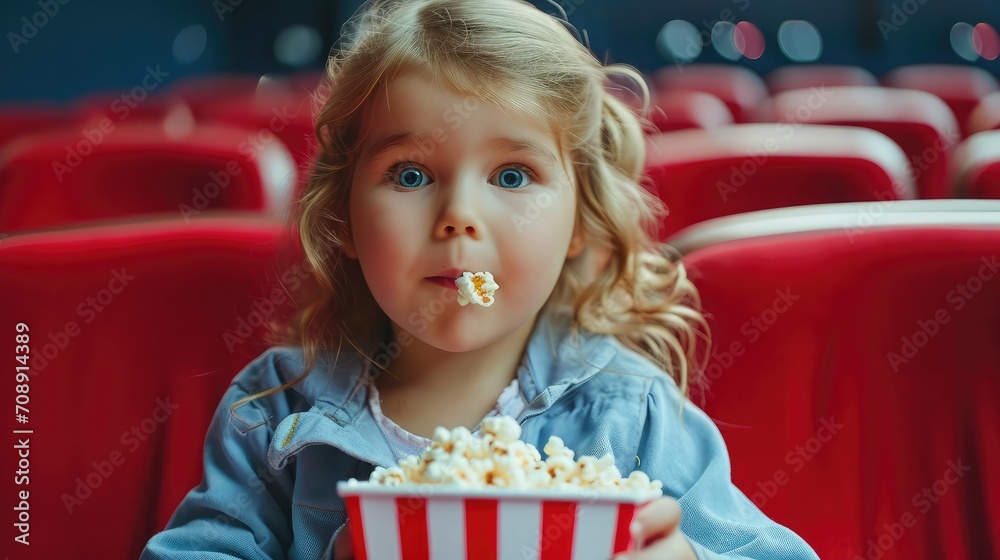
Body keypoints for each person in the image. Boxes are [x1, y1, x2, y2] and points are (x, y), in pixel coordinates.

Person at [142, 0, 819, 558]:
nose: (460, 217)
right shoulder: (274, 413)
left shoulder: (632, 415)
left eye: (512, 176)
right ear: (343, 218)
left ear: (579, 218)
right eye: (410, 175)